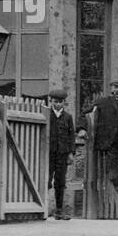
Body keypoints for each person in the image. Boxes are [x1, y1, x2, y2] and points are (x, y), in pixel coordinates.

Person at [78, 79, 118, 220]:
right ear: (111, 88)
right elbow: (84, 114)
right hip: (113, 146)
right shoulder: (102, 102)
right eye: (116, 87)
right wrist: (82, 128)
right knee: (114, 176)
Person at [47, 88, 75, 220]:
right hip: (48, 153)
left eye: (60, 102)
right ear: (50, 101)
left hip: (62, 154)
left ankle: (59, 210)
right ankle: (44, 208)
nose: (58, 104)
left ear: (64, 102)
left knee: (60, 181)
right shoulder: (47, 115)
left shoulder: (68, 117)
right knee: (46, 180)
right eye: (55, 102)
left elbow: (71, 137)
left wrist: (71, 153)